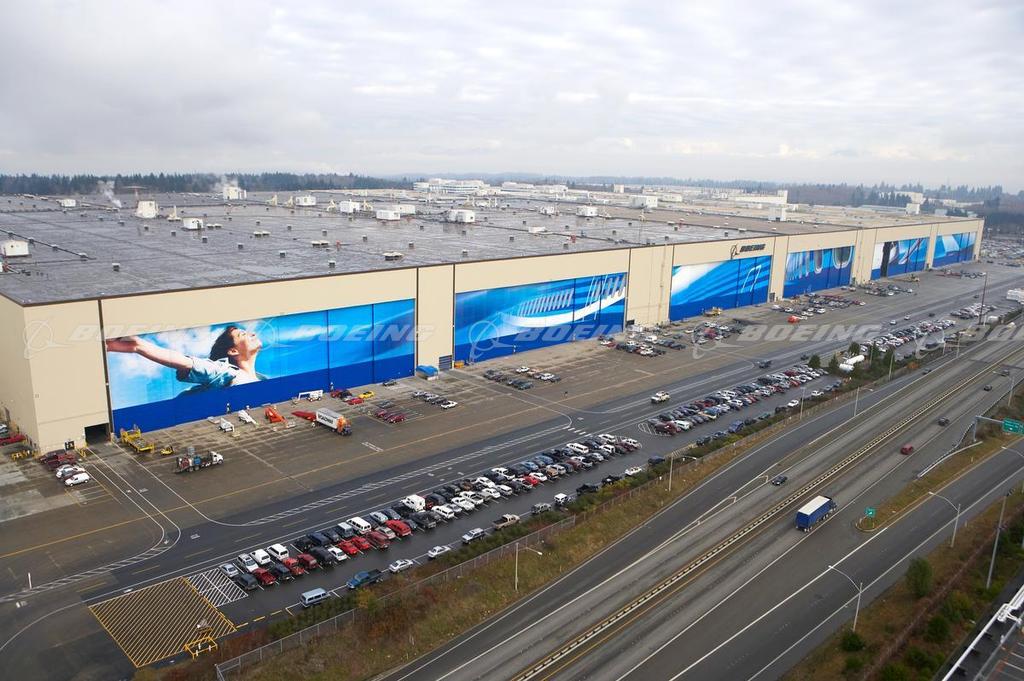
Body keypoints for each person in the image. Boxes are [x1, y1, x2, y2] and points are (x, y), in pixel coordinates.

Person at [106, 325, 263, 393]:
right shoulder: (224, 371)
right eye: (243, 334)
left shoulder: (262, 379)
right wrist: (139, 346)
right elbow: (186, 362)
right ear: (233, 351)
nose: (253, 334)